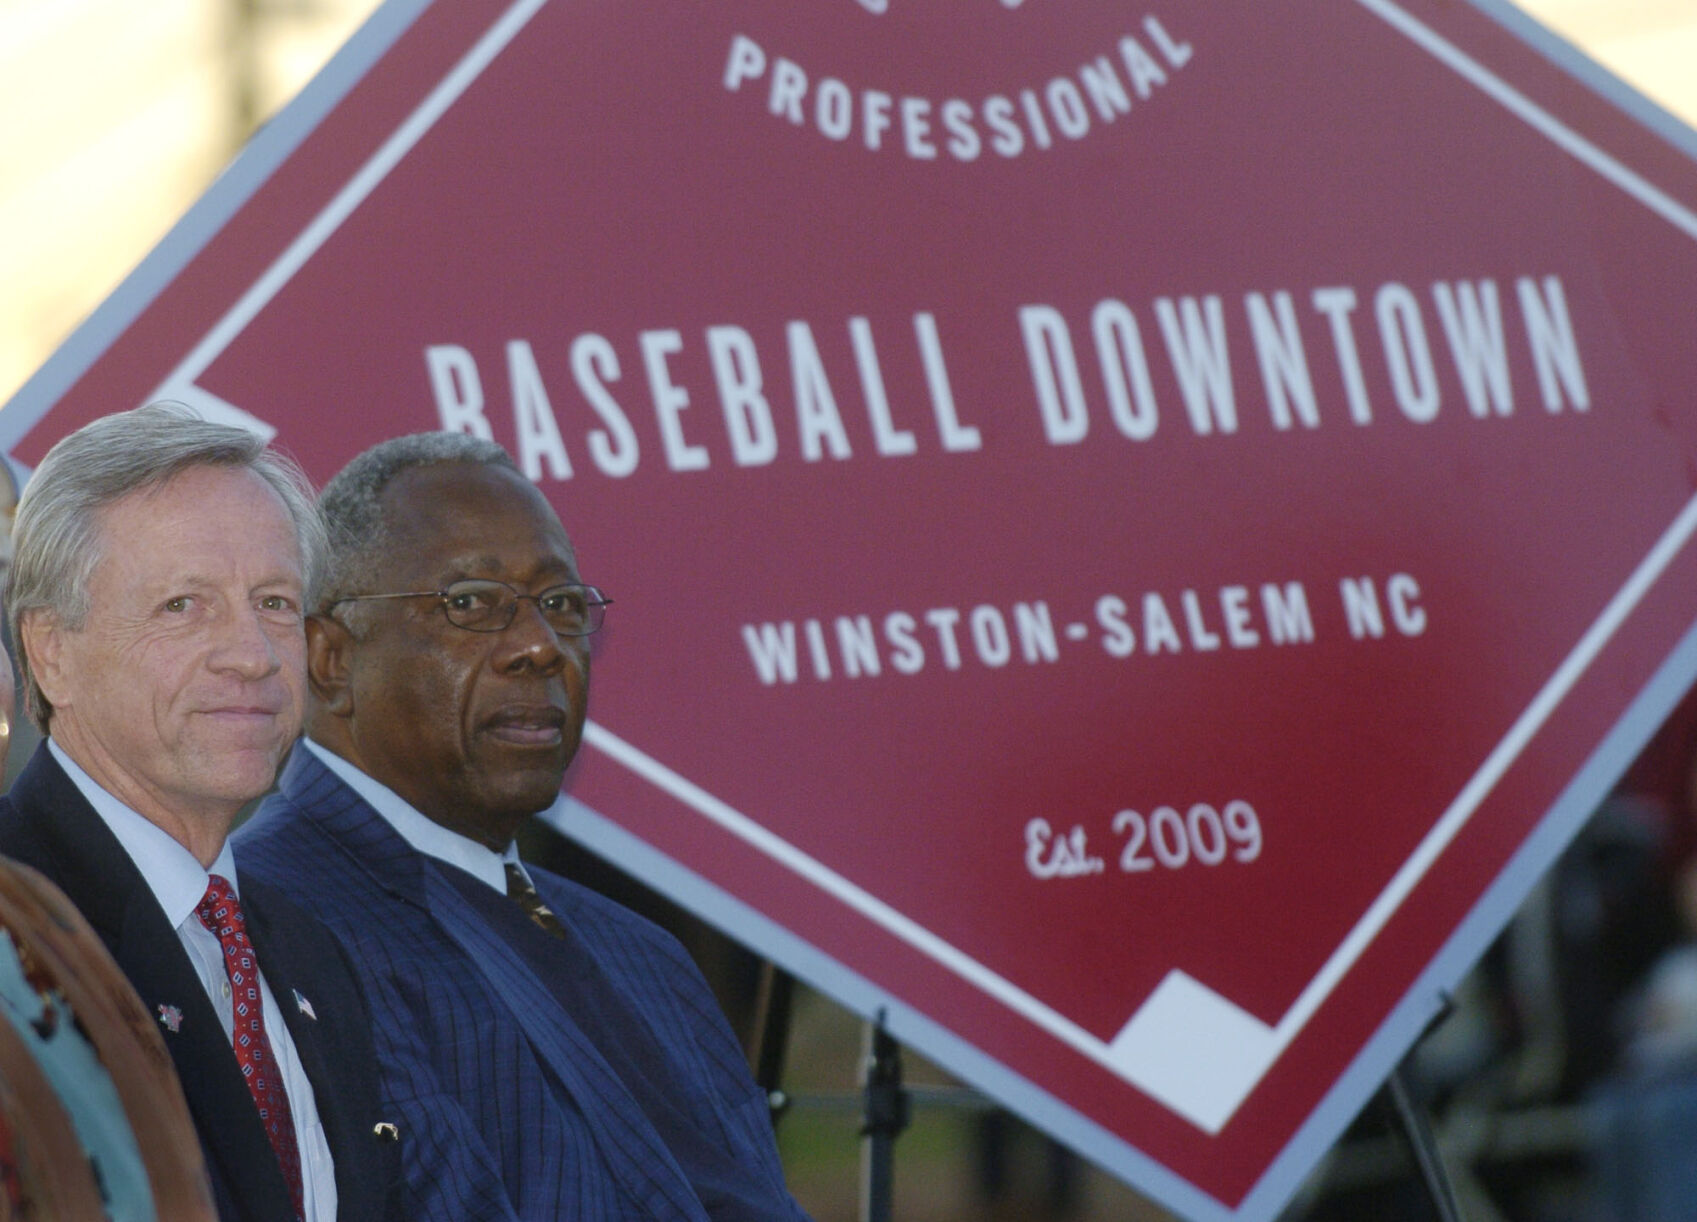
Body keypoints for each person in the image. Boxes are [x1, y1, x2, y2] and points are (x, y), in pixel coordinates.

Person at [235, 432, 811, 1221]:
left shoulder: (642, 955)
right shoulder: (268, 921)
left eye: (562, 605)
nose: (541, 647)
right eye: (471, 603)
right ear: (330, 658)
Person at [0, 404, 400, 1222]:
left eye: (276, 602)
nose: (252, 654)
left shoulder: (307, 947)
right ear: (50, 651)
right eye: (184, 605)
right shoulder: (17, 930)